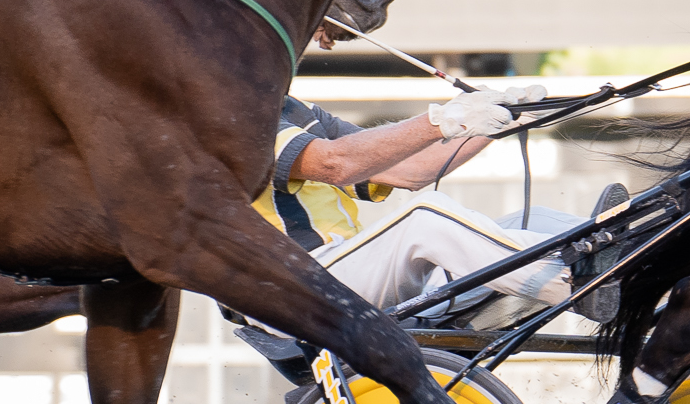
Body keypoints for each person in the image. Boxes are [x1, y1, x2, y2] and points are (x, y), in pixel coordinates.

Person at [257, 85, 606, 320]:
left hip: (348, 277)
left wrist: (503, 120)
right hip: (300, 292)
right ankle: (575, 283)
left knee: (535, 221)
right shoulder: (241, 115)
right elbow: (335, 163)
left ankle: (630, 256)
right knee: (425, 219)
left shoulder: (295, 109)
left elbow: (409, 171)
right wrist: (442, 121)